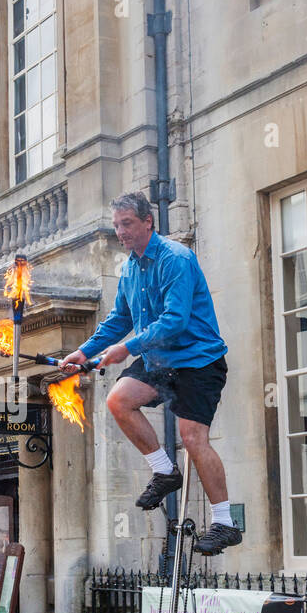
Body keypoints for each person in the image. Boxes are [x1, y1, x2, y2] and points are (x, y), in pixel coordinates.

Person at [60, 191, 241, 557]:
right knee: (118, 400)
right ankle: (164, 471)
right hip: (159, 360)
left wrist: (127, 348)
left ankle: (225, 523)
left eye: (127, 223)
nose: (120, 232)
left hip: (198, 359)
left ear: (148, 222)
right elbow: (120, 319)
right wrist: (84, 351)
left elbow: (175, 321)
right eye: (116, 225)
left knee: (193, 438)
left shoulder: (176, 259)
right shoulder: (129, 269)